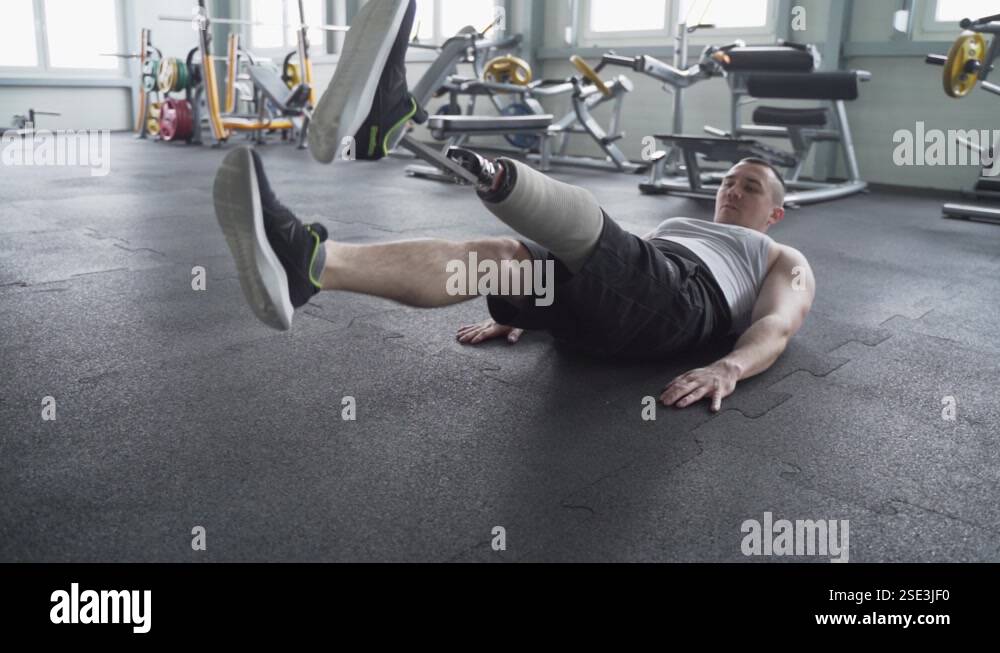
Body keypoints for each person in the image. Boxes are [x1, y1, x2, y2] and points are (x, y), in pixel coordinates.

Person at [212, 0, 815, 413]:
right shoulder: (679, 224)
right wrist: (532, 309)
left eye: (751, 187)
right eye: (730, 180)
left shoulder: (780, 255)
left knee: (594, 230)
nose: (732, 190)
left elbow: (776, 325)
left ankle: (411, 130)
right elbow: (618, 280)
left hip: (685, 305)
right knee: (501, 257)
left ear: (774, 213)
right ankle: (311, 267)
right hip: (617, 309)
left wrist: (728, 371)